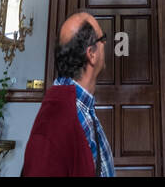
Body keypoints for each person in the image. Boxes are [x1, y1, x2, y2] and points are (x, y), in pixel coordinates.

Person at [22, 11, 115, 177]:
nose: (106, 43)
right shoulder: (53, 124)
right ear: (91, 54)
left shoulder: (81, 107)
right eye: (103, 39)